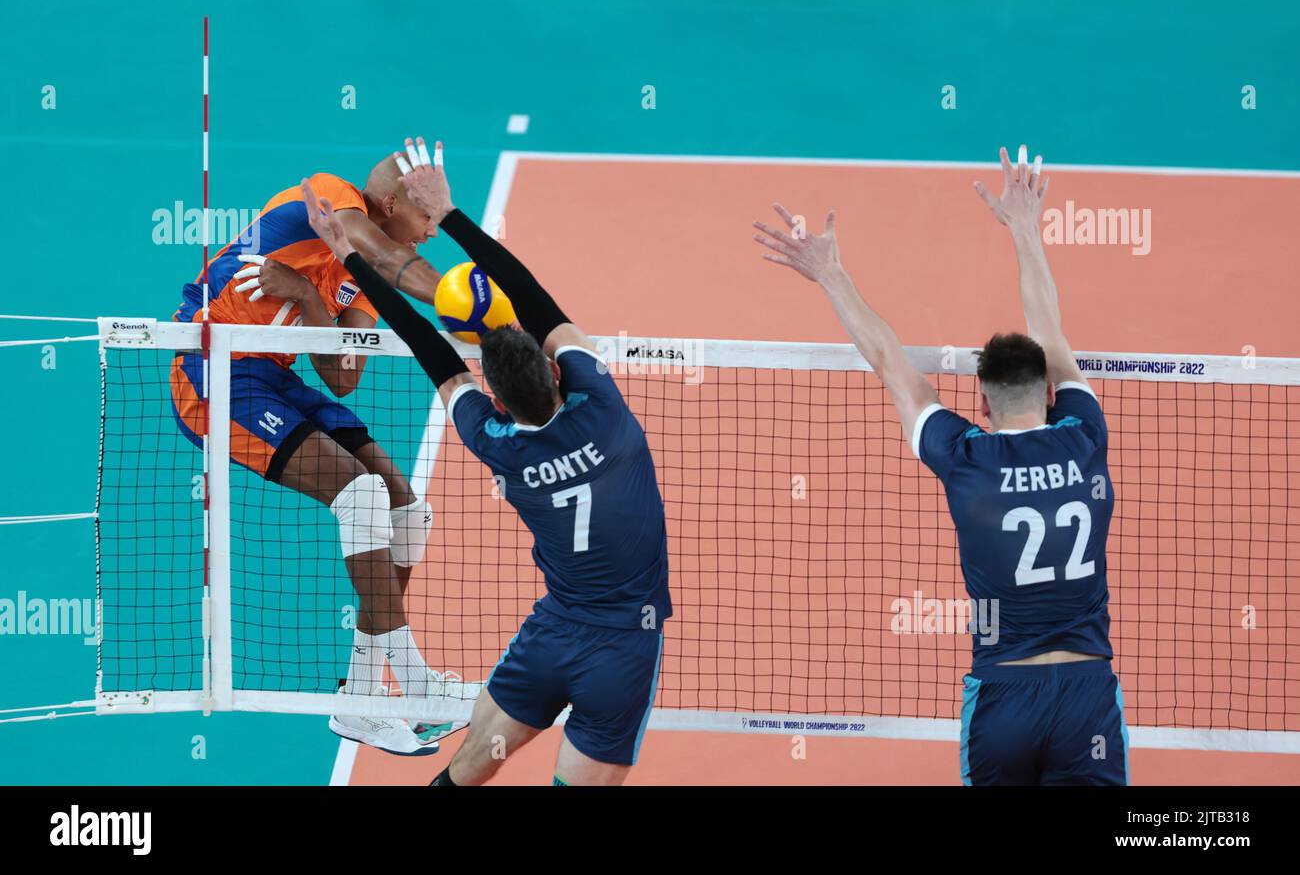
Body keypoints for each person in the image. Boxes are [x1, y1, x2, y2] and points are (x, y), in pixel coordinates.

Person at [301, 139, 672, 786]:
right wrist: (449, 215)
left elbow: (430, 350)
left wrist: (349, 258)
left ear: (495, 398)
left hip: (549, 639)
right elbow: (533, 297)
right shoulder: (607, 411)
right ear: (560, 372)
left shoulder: (497, 441)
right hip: (623, 649)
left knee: (462, 773)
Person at [754, 145, 1126, 785]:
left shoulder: (965, 458)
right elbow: (1051, 331)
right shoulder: (1084, 437)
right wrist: (1025, 228)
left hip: (1003, 694)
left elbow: (890, 363)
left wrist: (832, 275)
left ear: (981, 401)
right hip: (1086, 691)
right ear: (1047, 391)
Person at [170, 159, 477, 756]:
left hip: (273, 370)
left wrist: (310, 296)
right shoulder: (330, 199)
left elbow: (341, 376)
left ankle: (361, 695)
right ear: (390, 205)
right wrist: (467, 306)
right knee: (358, 492)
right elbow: (386, 256)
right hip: (211, 364)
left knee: (407, 509)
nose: (432, 230)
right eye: (427, 215)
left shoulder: (362, 275)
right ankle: (413, 682)